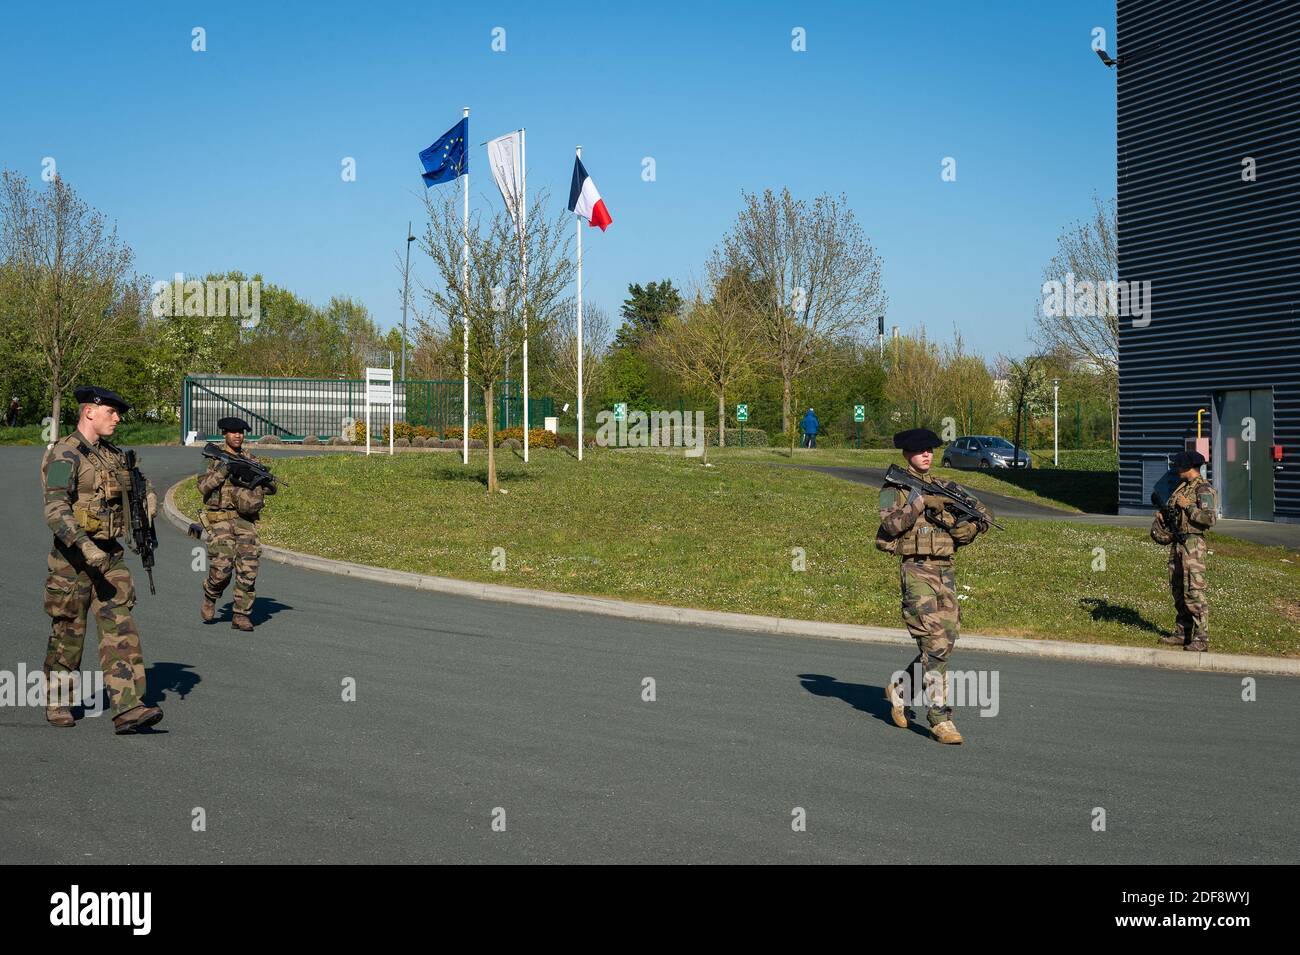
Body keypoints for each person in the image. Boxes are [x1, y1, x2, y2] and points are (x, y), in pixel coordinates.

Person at [40, 385, 162, 733]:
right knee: (68, 630)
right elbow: (55, 509)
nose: (118, 418)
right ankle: (58, 699)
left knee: (121, 628)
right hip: (72, 560)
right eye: (112, 411)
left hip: (110, 556)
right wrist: (83, 544)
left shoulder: (112, 454)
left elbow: (139, 482)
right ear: (89, 411)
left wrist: (149, 498)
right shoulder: (65, 454)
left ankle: (128, 707)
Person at [876, 428, 991, 744]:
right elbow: (891, 525)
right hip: (916, 572)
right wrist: (921, 502)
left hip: (945, 571)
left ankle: (901, 689)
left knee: (946, 639)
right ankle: (940, 720)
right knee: (935, 643)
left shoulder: (947, 487)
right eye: (919, 450)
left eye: (930, 449)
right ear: (906, 454)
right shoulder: (894, 488)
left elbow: (984, 512)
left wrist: (969, 527)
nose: (927, 454)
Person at [199, 417, 274, 631]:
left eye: (240, 432)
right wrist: (225, 470)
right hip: (220, 519)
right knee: (222, 569)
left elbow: (267, 488)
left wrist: (258, 481)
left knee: (248, 568)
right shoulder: (212, 458)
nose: (238, 435)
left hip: (245, 521)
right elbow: (203, 487)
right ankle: (211, 593)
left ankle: (241, 614)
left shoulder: (251, 459)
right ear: (224, 434)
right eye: (233, 432)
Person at [1154, 450, 1217, 651]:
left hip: (1193, 545)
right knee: (1178, 589)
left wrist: (1188, 507)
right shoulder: (1182, 487)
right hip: (1178, 542)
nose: (1176, 469)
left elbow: (1210, 519)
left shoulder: (1203, 489)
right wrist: (1164, 516)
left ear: (1188, 467)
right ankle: (1183, 632)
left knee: (1193, 590)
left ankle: (1201, 639)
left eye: (1179, 466)